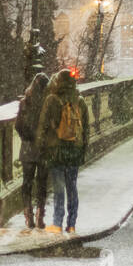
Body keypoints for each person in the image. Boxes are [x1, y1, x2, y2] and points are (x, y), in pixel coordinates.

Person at [36, 69, 91, 234]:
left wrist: (41, 148)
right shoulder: (79, 101)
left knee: (59, 189)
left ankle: (57, 223)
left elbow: (42, 127)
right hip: (74, 151)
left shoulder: (51, 100)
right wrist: (82, 150)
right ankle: (72, 224)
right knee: (72, 188)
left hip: (56, 151)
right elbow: (86, 129)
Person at [15, 70, 51, 230]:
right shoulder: (49, 103)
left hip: (28, 149)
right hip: (43, 149)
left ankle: (28, 215)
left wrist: (28, 137)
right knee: (42, 183)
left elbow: (18, 126)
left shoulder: (25, 102)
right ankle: (40, 216)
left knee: (27, 183)